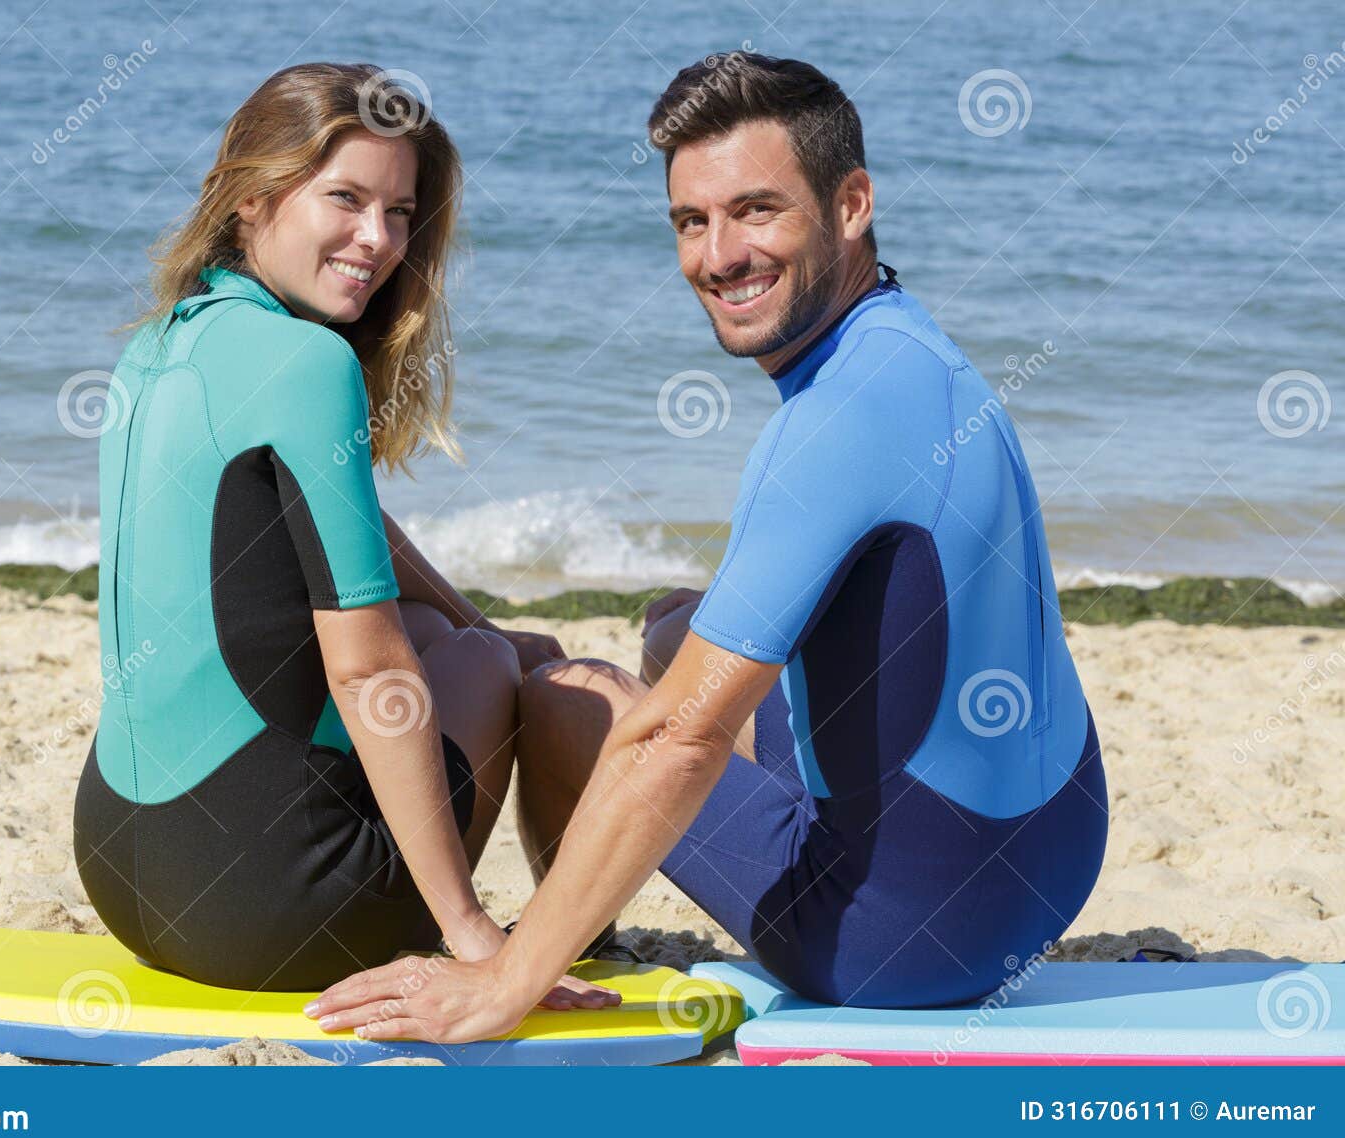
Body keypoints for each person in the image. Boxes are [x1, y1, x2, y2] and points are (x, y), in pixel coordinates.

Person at [305, 53, 1108, 1042]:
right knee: (673, 629)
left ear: (851, 203)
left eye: (756, 211)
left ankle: (559, 955)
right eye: (692, 221)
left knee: (569, 697)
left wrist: (501, 983)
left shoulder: (829, 425)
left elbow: (676, 743)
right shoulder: (915, 355)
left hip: (906, 936)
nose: (718, 255)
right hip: (1051, 861)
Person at [72, 62, 613, 1011]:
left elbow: (344, 527)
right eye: (347, 199)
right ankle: (564, 930)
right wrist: (472, 936)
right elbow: (367, 676)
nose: (379, 239)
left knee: (459, 638)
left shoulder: (153, 345)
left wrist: (472, 619)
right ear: (251, 197)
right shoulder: (308, 361)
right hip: (275, 915)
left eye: (400, 212)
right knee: (480, 665)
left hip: (123, 875)